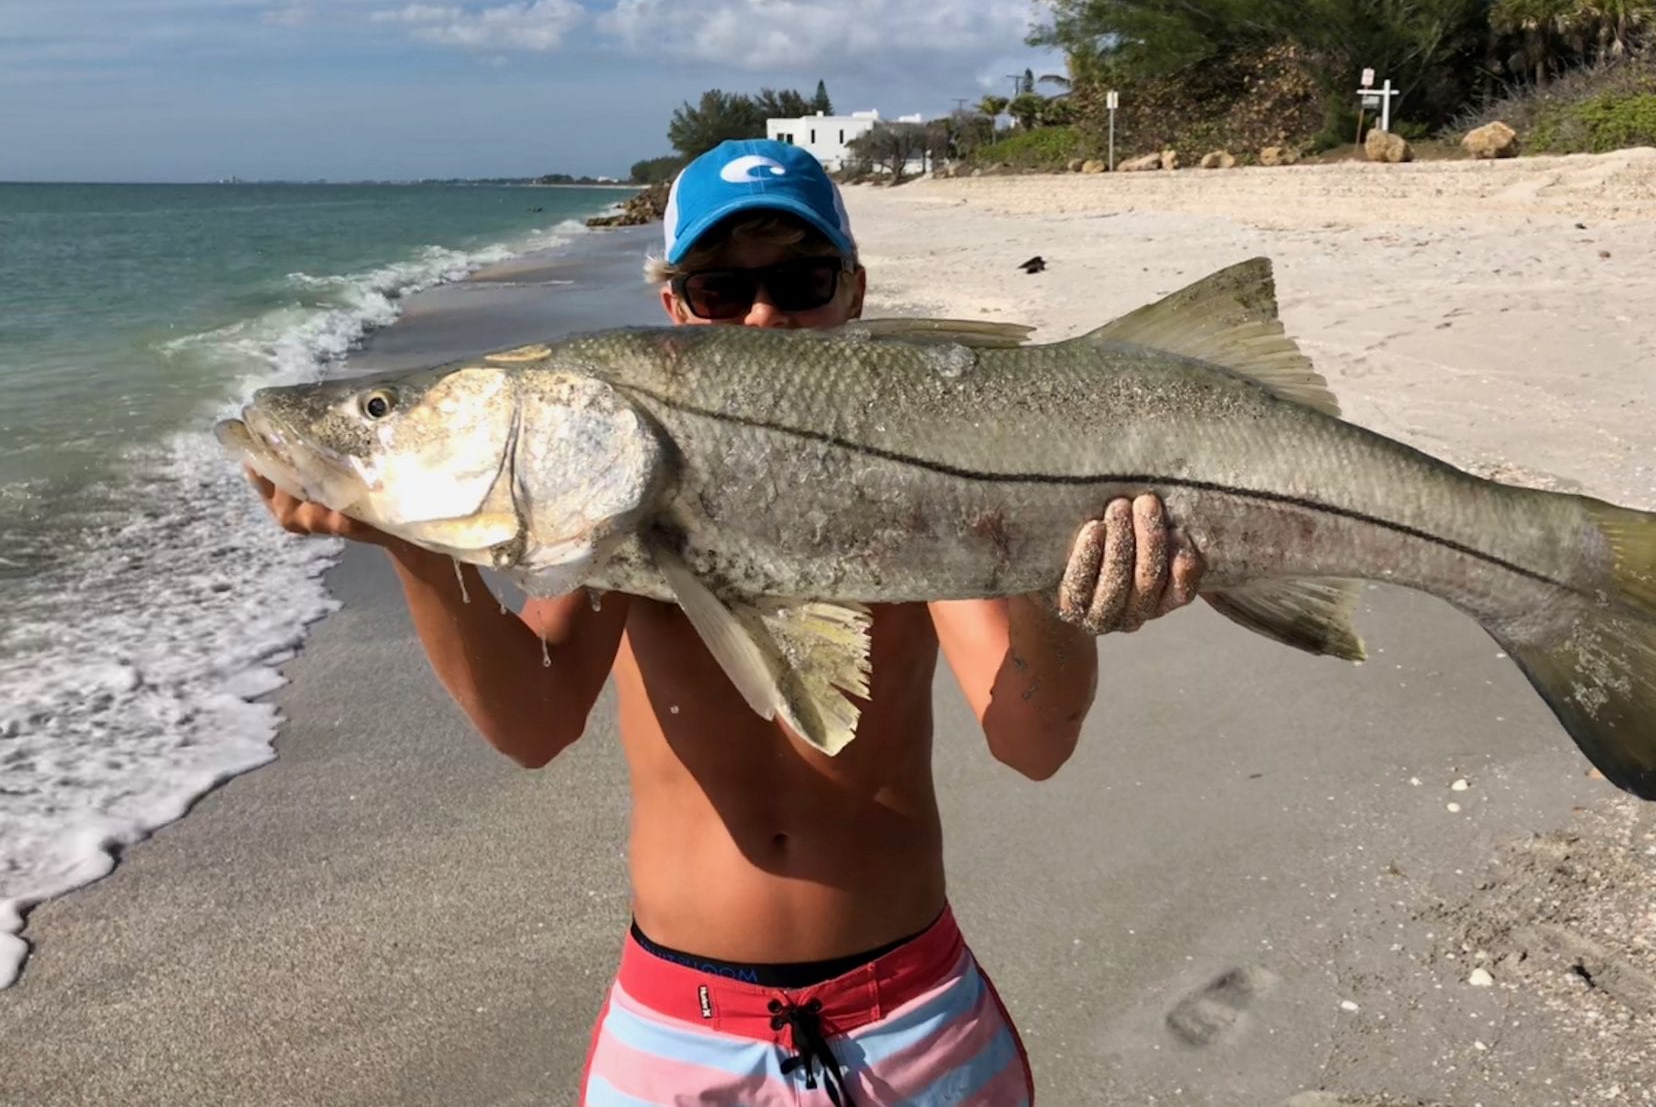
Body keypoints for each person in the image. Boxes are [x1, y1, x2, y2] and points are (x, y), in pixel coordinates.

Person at [250, 138, 1205, 1105]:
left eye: (801, 280)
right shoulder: (617, 478)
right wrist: (418, 544)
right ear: (673, 307)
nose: (763, 316)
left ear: (856, 292)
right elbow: (534, 721)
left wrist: (1064, 601)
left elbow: (1032, 741)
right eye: (719, 290)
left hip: (911, 1018)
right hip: (678, 1033)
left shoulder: (919, 481)